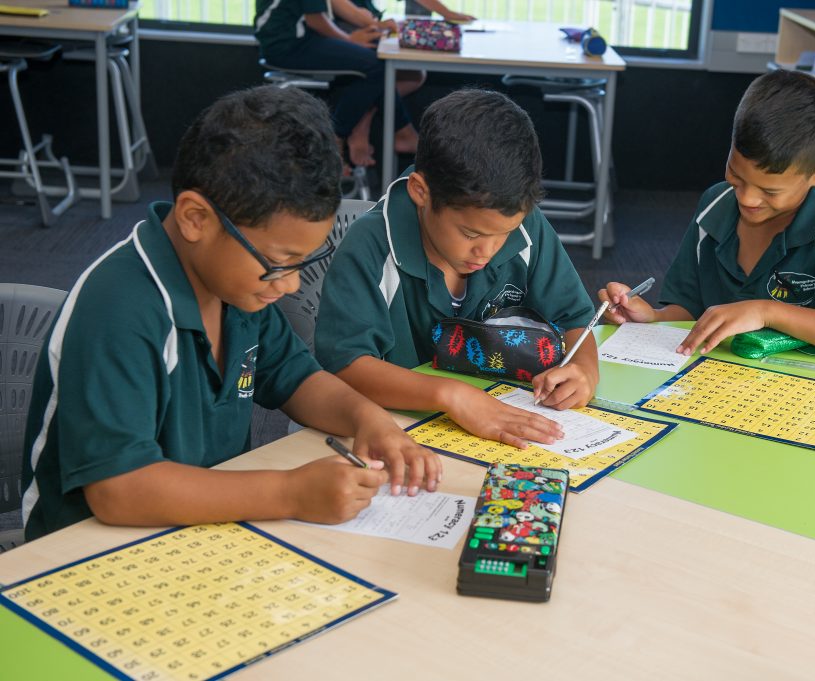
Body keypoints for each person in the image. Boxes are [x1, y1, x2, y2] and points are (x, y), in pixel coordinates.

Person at [20, 86, 441, 542]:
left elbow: (298, 379)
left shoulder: (236, 288)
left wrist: (368, 420)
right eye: (278, 263)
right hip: (83, 554)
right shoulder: (118, 307)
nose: (291, 285)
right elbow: (120, 490)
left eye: (300, 264)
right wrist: (289, 492)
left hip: (199, 529)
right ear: (196, 219)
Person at [314, 89, 599, 449]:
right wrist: (452, 396)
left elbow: (575, 317)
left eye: (504, 234)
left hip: (493, 422)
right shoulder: (371, 244)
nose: (488, 250)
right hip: (392, 431)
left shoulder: (523, 224)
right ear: (421, 191)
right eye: (470, 233)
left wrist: (585, 370)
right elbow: (345, 365)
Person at [599, 69, 815, 366]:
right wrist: (652, 318)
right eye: (736, 175)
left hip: (803, 396)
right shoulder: (715, 204)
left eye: (770, 191)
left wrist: (767, 312)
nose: (746, 198)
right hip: (710, 387)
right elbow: (689, 311)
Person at [254, 0, 418, 167]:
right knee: (376, 66)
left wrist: (373, 25)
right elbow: (316, 20)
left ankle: (401, 132)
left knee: (377, 57)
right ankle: (336, 138)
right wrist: (349, 39)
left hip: (300, 37)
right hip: (287, 44)